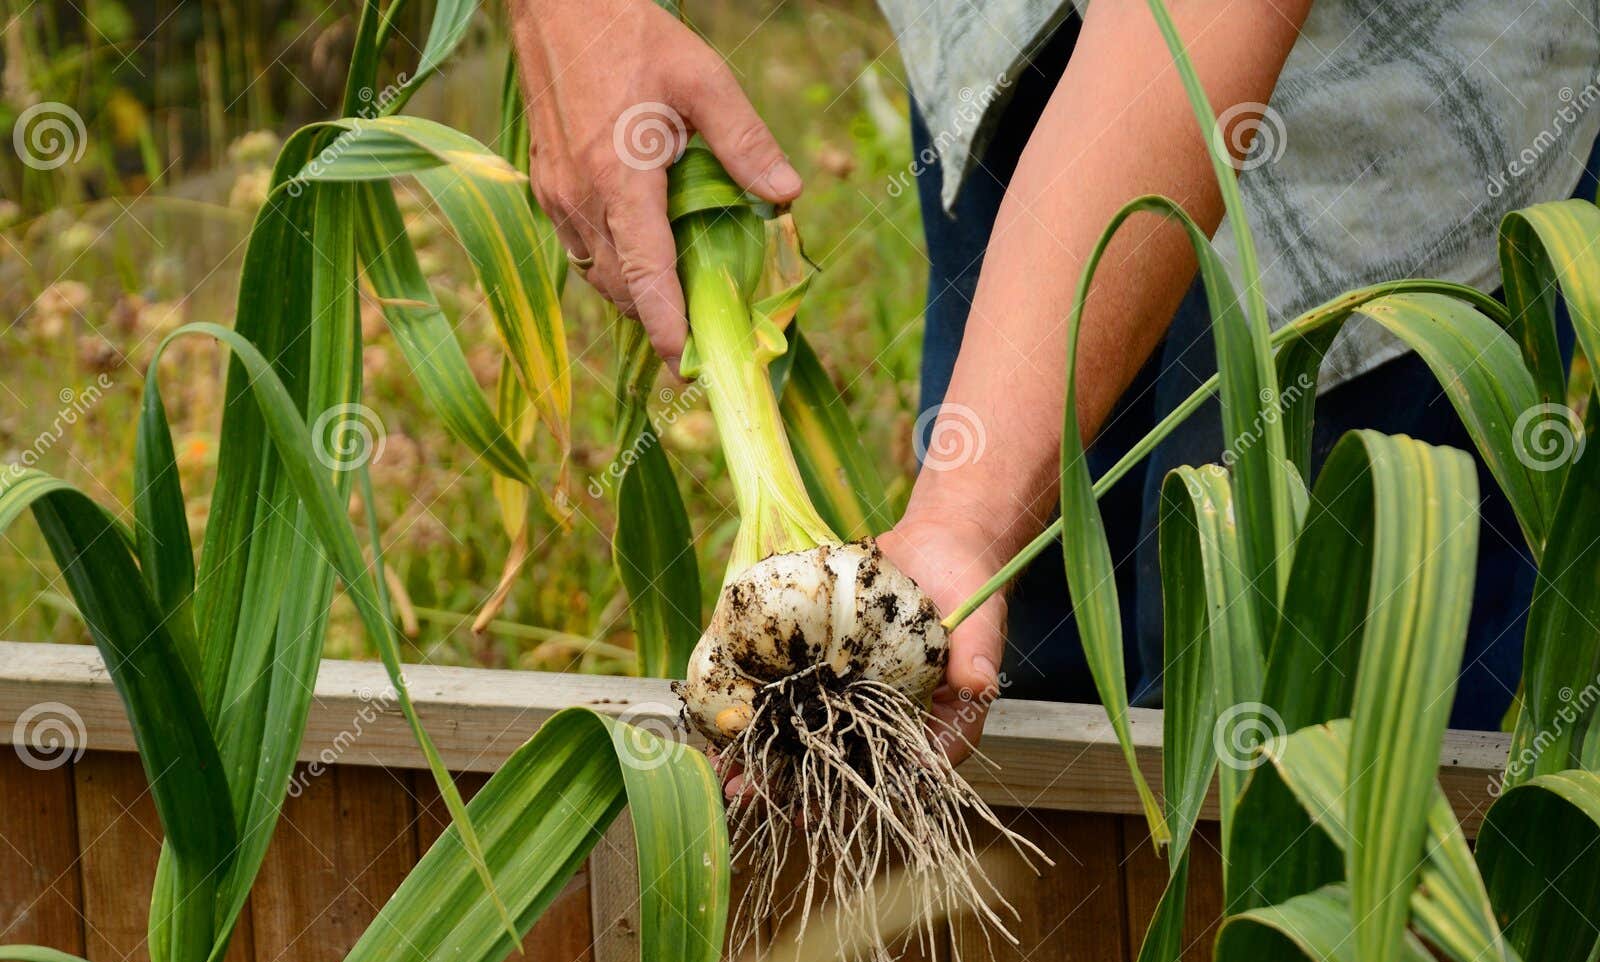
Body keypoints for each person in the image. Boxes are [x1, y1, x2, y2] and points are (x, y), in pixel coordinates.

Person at [507, 0, 1600, 763]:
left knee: (1296, 762)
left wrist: (967, 516)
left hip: (1380, 161)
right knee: (1033, 707)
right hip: (1009, 43)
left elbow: (1187, 29)